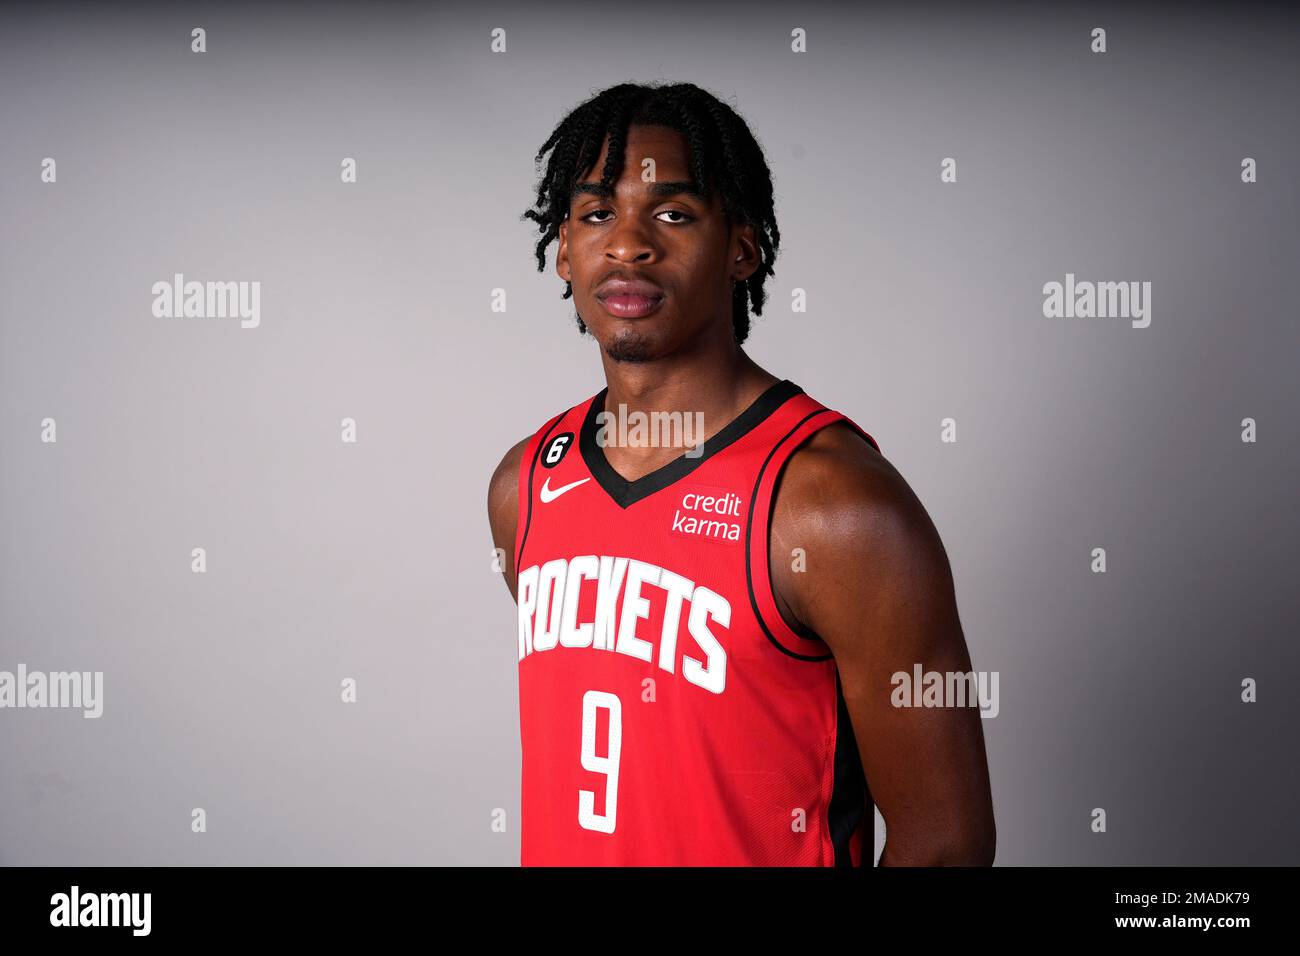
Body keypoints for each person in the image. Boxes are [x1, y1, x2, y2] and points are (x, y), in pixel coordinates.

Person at [487, 82, 995, 866]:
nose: (628, 244)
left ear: (742, 247)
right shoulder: (525, 486)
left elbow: (946, 844)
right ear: (562, 249)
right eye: (596, 214)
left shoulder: (834, 505)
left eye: (673, 213)